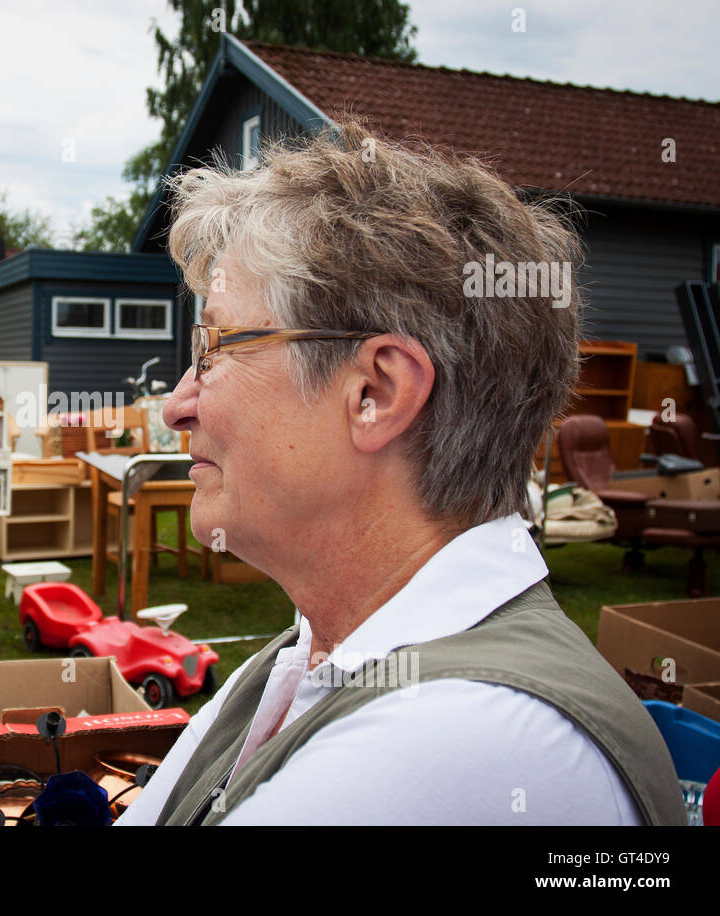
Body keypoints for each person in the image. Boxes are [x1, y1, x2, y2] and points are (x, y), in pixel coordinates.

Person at [115, 121, 684, 826]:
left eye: (213, 348)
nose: (176, 406)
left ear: (376, 393)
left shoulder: (456, 740)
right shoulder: (323, 652)